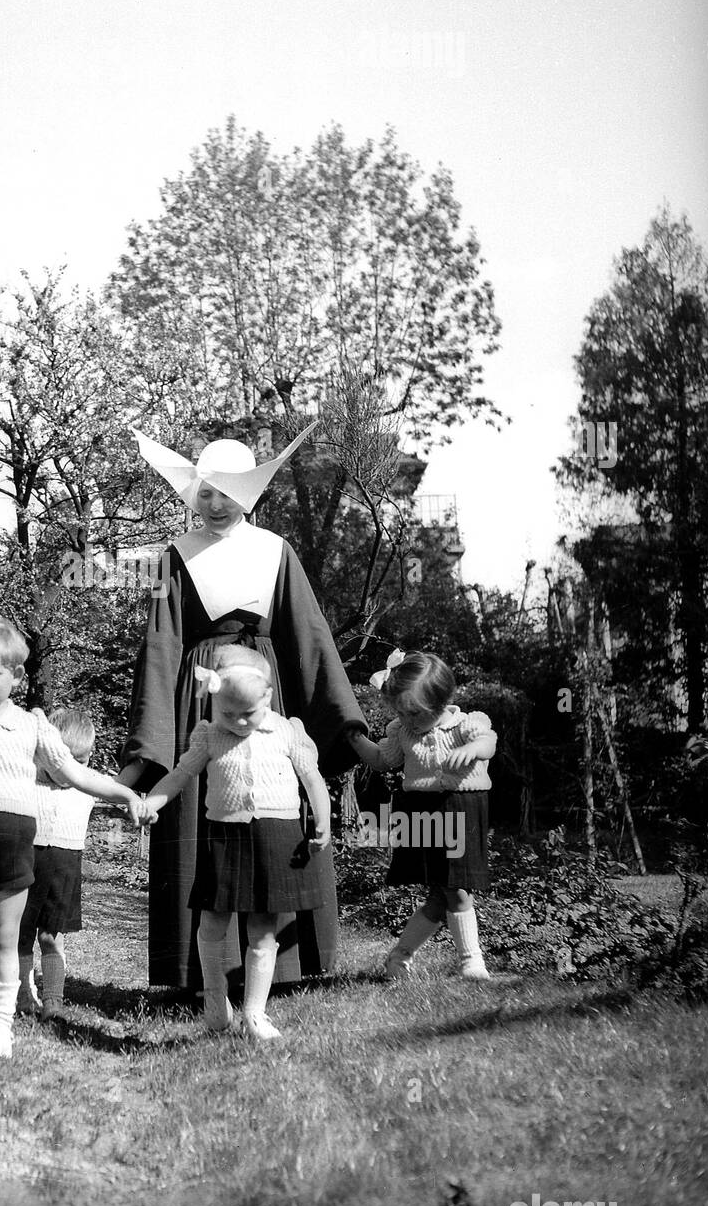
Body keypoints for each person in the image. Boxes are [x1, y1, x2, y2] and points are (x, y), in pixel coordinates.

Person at [120, 426, 367, 991]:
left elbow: (309, 637)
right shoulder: (174, 557)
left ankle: (271, 970)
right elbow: (160, 647)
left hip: (264, 691)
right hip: (200, 698)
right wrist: (146, 752)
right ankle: (202, 975)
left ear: (249, 495)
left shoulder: (276, 551)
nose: (213, 503)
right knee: (203, 820)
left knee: (270, 812)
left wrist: (345, 726)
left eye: (226, 492)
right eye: (204, 491)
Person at [0, 613, 148, 1059]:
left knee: (5, 934)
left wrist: (124, 793)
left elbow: (73, 772)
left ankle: (1, 1023)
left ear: (16, 675)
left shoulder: (32, 724)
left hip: (13, 845)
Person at [142, 647, 332, 1041]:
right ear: (214, 701)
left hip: (276, 836)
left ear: (267, 698)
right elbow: (180, 775)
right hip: (226, 837)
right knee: (211, 921)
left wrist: (322, 819)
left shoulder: (285, 731)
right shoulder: (209, 735)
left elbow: (312, 779)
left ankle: (254, 1014)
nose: (239, 722)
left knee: (263, 929)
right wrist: (152, 802)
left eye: (248, 713)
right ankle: (215, 996)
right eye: (228, 713)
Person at [346, 649, 498, 981]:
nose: (408, 719)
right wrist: (358, 741)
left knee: (455, 889)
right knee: (440, 893)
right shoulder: (402, 731)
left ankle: (469, 962)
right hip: (421, 811)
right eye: (401, 711)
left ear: (441, 702)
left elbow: (488, 742)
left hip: (460, 808)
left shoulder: (465, 724)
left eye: (415, 712)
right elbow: (383, 760)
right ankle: (401, 958)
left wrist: (473, 750)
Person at [17, 709, 101, 1021]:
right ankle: (24, 994)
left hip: (63, 872)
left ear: (89, 758)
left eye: (79, 762)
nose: (68, 771)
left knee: (51, 938)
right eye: (61, 762)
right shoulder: (26, 781)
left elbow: (127, 781)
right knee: (20, 936)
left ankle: (53, 999)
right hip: (26, 866)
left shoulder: (88, 787)